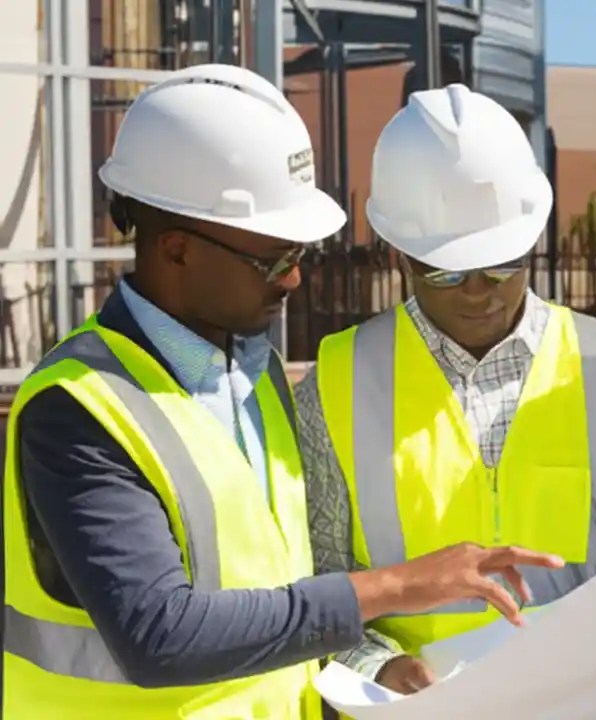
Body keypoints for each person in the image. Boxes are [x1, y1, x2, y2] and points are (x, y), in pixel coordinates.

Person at [2, 64, 561, 720]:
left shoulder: (257, 374)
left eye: (302, 255)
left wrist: (378, 669)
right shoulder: (80, 410)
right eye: (274, 259)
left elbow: (278, 596)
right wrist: (395, 587)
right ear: (177, 251)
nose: (294, 281)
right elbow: (158, 635)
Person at [293, 83, 596, 719]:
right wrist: (378, 666)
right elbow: (316, 587)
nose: (478, 291)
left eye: (503, 265)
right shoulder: (338, 380)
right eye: (445, 271)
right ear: (399, 255)